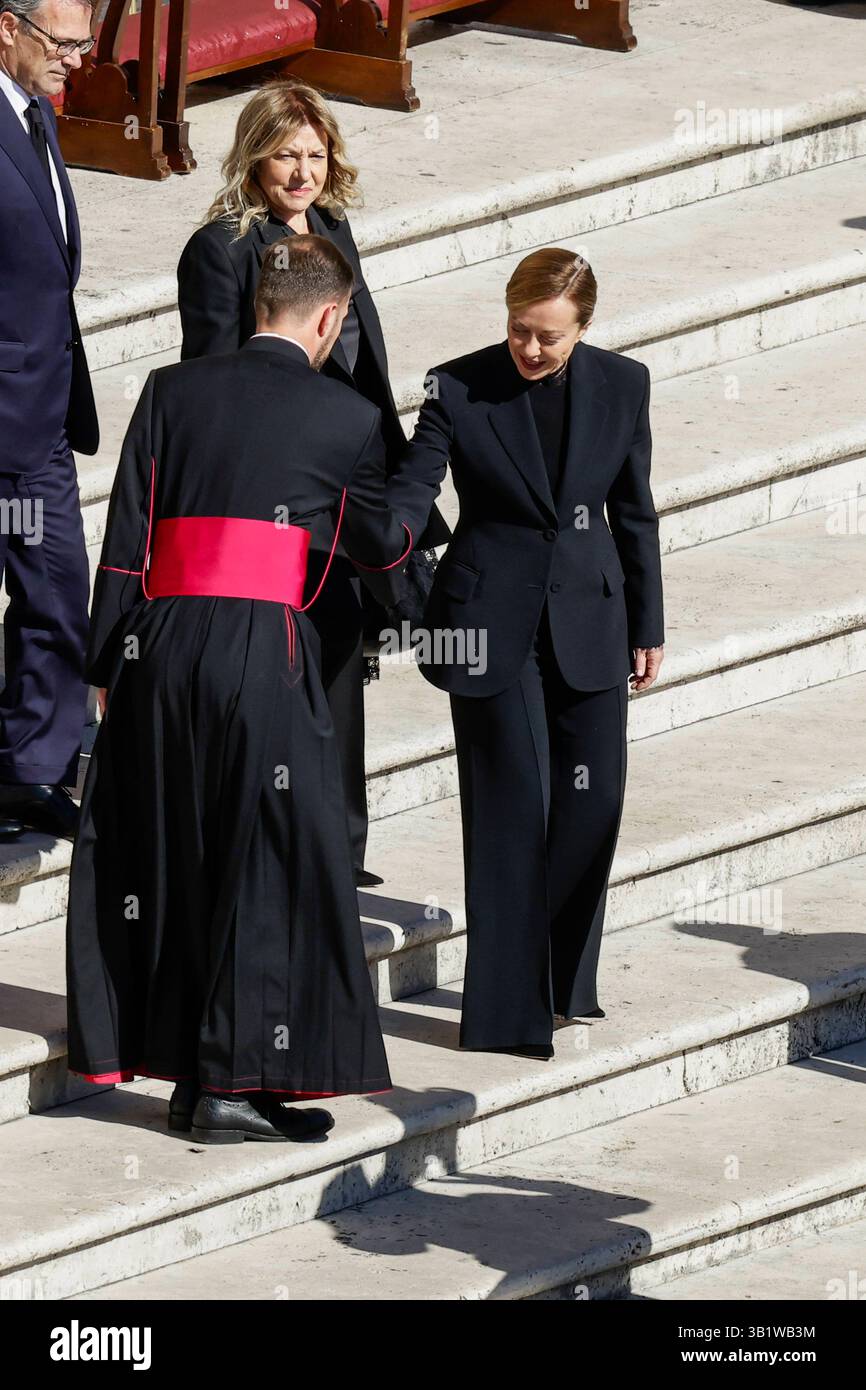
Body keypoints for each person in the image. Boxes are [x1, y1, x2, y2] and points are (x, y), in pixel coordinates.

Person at [65, 235, 413, 1144]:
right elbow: (379, 547)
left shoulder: (171, 390)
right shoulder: (346, 416)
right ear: (332, 317)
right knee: (269, 861)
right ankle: (229, 1083)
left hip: (158, 645)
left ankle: (193, 1074)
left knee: (175, 852)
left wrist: (107, 662)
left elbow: (127, 535)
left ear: (260, 300)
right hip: (264, 648)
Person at [386, 248, 665, 1059]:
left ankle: (564, 980)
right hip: (487, 625)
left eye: (548, 337)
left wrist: (648, 623)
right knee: (510, 815)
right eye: (519, 331)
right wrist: (390, 534)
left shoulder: (624, 383)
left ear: (583, 328)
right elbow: (416, 481)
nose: (530, 350)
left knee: (594, 804)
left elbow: (635, 511)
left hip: (592, 619)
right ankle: (510, 1013)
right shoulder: (457, 384)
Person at [177, 77, 449, 887]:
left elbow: (365, 349)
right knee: (289, 651)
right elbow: (216, 373)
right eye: (286, 156)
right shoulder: (220, 247)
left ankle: (342, 844)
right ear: (254, 157)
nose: (302, 172)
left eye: (315, 154)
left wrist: (391, 456)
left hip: (352, 458)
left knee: (343, 651)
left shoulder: (335, 228)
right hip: (277, 476)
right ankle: (276, 832)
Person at [0, 0, 99, 841]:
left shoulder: (34, 117)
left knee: (60, 593)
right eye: (63, 42)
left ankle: (30, 771)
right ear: (8, 26)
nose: (78, 58)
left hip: (41, 424)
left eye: (84, 43)